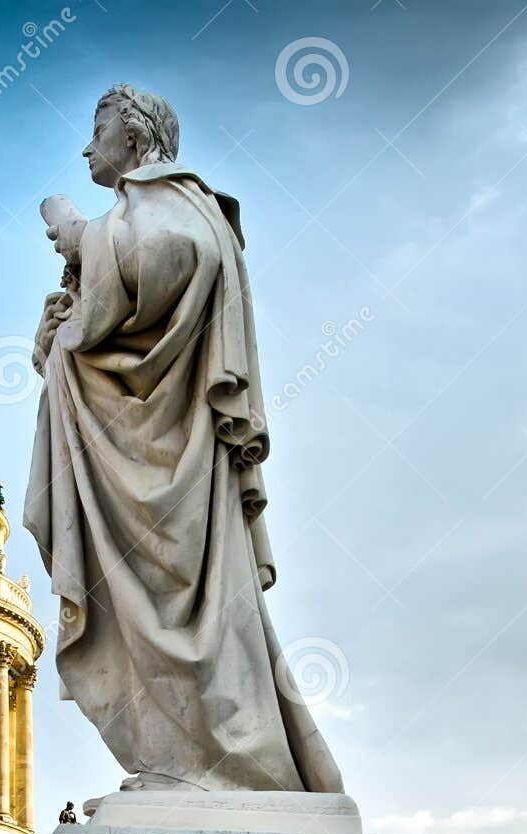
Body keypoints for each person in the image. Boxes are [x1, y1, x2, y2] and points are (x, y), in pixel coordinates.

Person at [25, 84, 344, 796]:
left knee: (193, 605)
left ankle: (225, 761)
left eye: (98, 128)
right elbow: (105, 347)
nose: (86, 145)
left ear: (135, 138)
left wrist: (82, 234)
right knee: (140, 609)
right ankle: (176, 757)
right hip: (133, 456)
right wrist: (55, 344)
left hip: (179, 462)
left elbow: (178, 259)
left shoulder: (178, 203)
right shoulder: (136, 215)